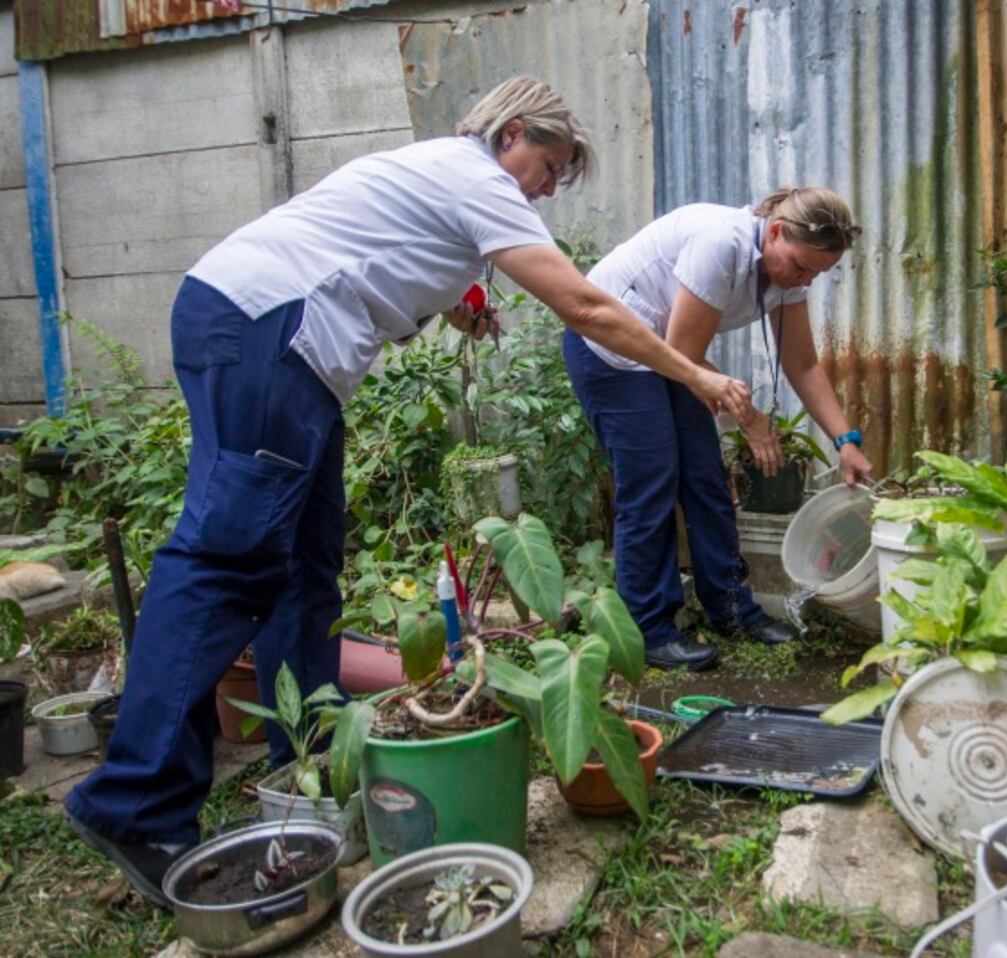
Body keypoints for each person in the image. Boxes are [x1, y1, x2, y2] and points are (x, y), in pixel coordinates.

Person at [63, 76, 750, 907]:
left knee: (303, 568)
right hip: (269, 333)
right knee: (227, 560)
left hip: (272, 337)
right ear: (514, 135)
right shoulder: (481, 180)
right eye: (550, 166)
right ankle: (136, 804)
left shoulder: (441, 177)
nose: (547, 188)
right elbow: (584, 305)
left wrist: (459, 303)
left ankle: (308, 765)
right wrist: (696, 376)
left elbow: (386, 248)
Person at [563, 187, 873, 671]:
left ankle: (732, 609)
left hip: (665, 351)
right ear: (774, 232)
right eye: (799, 266)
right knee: (651, 480)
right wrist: (750, 421)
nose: (804, 278)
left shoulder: (788, 269)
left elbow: (803, 362)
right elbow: (683, 355)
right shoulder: (721, 244)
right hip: (611, 348)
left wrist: (845, 441)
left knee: (705, 477)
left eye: (817, 272)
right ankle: (649, 629)